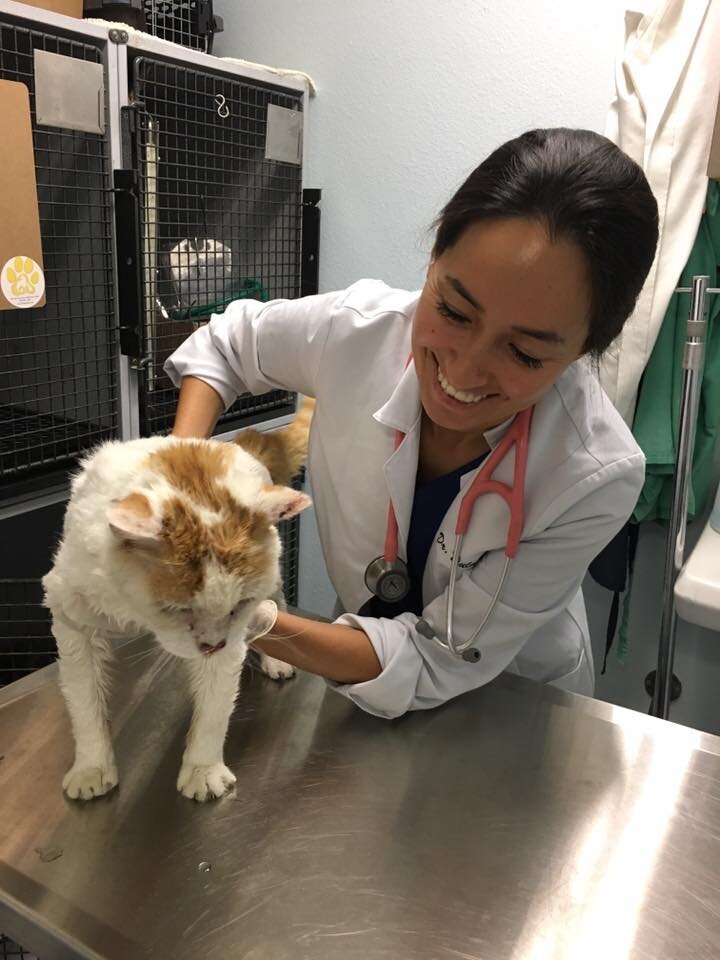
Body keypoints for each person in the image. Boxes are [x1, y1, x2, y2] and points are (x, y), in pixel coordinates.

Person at [165, 127, 659, 719]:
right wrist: (176, 474)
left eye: (525, 353)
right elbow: (224, 343)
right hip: (354, 672)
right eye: (452, 310)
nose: (464, 369)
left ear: (585, 349)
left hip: (514, 705)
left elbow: (437, 658)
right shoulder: (356, 331)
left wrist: (239, 614)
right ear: (433, 261)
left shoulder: (596, 473)